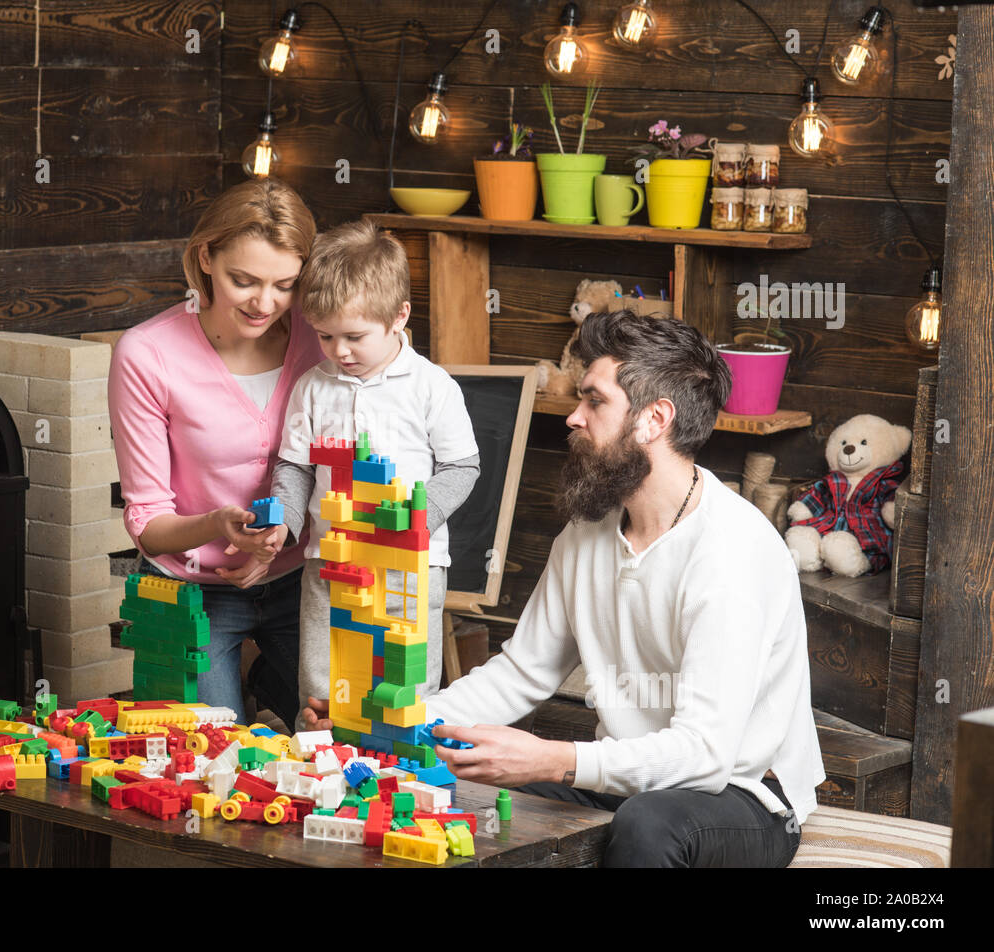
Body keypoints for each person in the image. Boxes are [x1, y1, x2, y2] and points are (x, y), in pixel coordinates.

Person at [311, 309, 826, 867]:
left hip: (744, 793)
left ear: (655, 419)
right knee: (462, 801)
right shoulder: (588, 531)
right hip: (627, 781)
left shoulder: (732, 551)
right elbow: (523, 671)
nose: (573, 418)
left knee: (649, 826)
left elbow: (706, 755)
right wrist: (393, 721)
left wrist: (554, 760)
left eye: (595, 401)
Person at [108, 179, 323, 728]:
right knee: (210, 752)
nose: (264, 304)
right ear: (206, 258)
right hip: (195, 590)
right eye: (243, 281)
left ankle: (267, 692)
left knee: (336, 742)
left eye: (284, 285)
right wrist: (216, 525)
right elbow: (147, 523)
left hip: (302, 580)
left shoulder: (319, 339)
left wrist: (280, 541)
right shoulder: (147, 354)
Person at [265, 220, 481, 733]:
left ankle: (398, 771)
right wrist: (287, 518)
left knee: (402, 687)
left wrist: (420, 516)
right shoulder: (313, 387)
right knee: (323, 683)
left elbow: (462, 465)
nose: (339, 351)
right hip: (329, 562)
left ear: (399, 316)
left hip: (409, 566)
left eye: (355, 337)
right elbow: (295, 464)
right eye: (325, 336)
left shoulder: (432, 387)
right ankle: (320, 769)